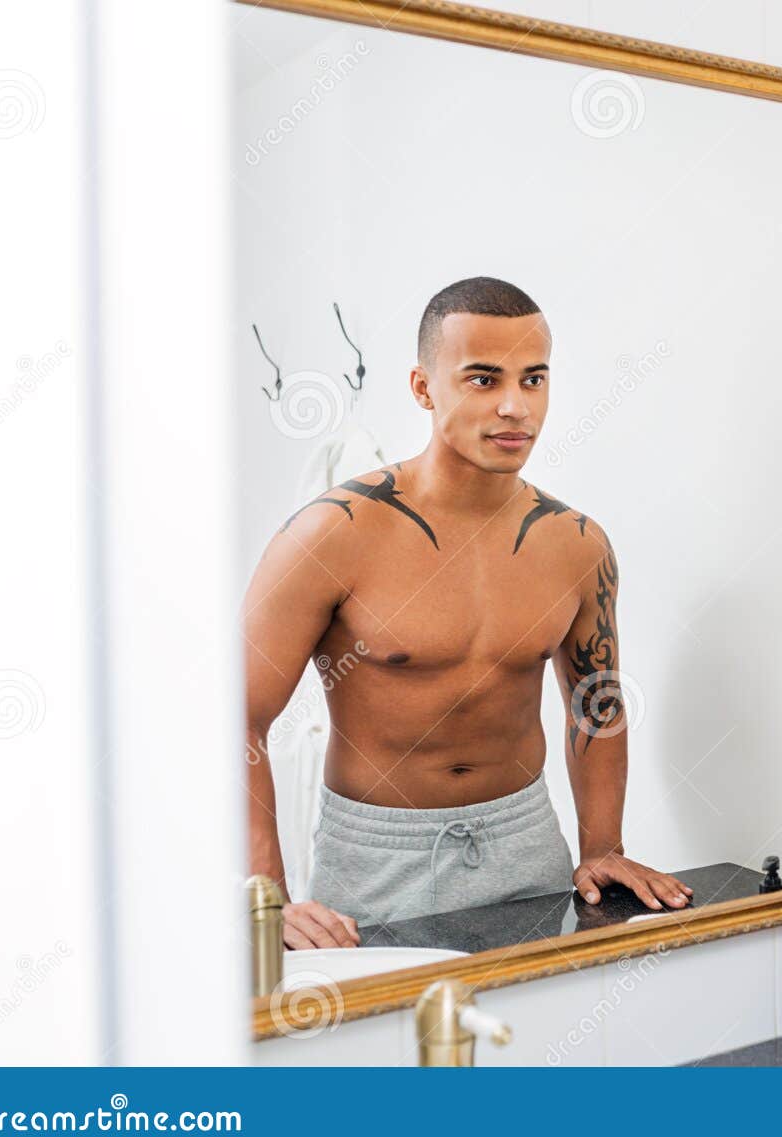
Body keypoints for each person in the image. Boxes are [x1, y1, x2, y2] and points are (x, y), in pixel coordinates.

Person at [243, 277, 691, 948]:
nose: (515, 407)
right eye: (484, 380)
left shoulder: (576, 544)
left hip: (527, 846)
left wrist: (604, 845)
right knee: (391, 1051)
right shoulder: (330, 533)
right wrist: (265, 898)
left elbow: (595, 702)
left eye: (533, 379)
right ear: (424, 388)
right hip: (376, 864)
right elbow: (237, 716)